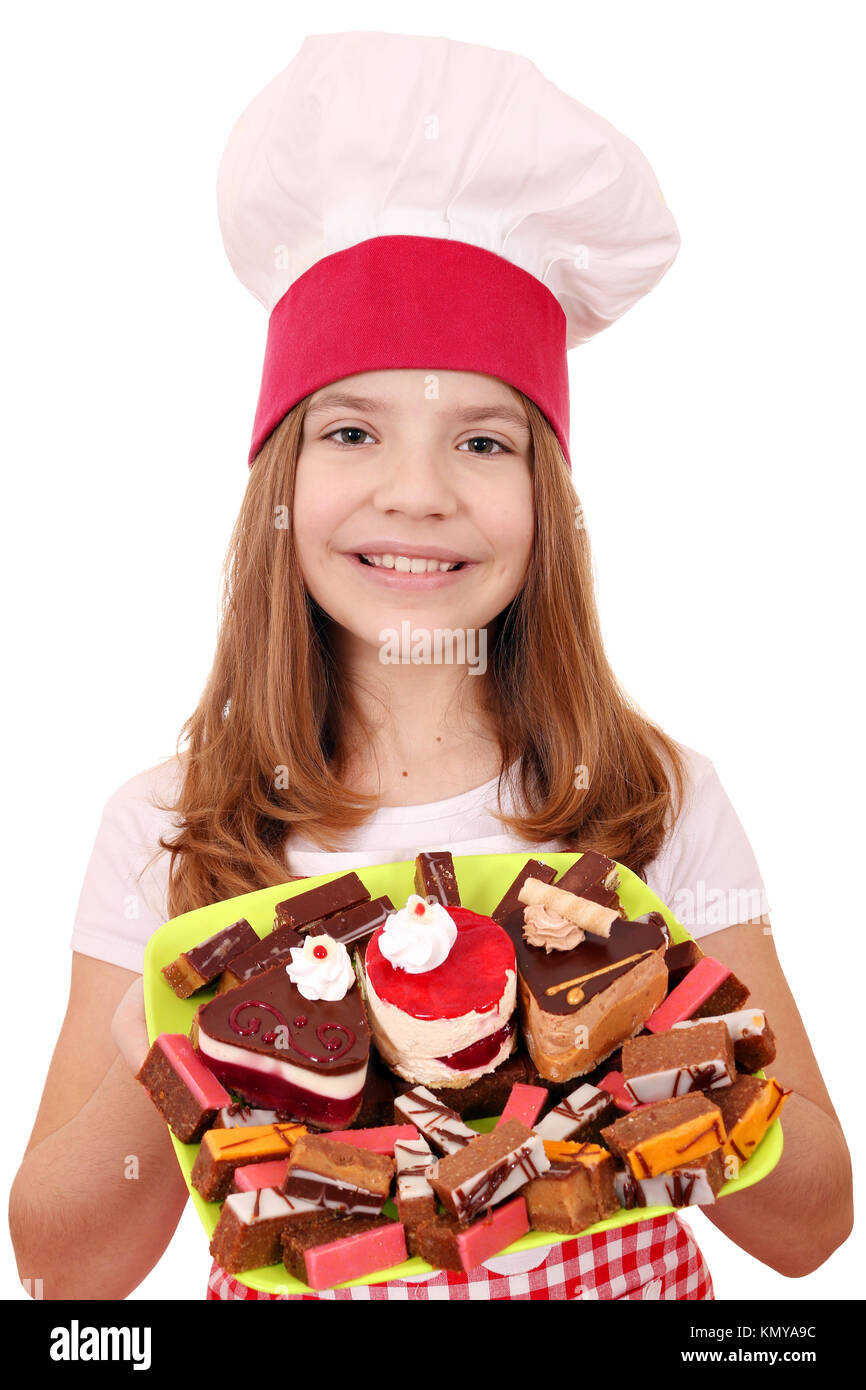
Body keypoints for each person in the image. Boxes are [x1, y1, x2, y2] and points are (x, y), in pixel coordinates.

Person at [9, 33, 852, 1301]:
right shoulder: (173, 828)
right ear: (281, 485)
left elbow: (811, 1224)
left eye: (482, 439)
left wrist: (649, 992)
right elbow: (66, 1282)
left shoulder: (652, 796)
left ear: (542, 495)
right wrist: (181, 1037)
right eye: (353, 429)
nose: (417, 493)